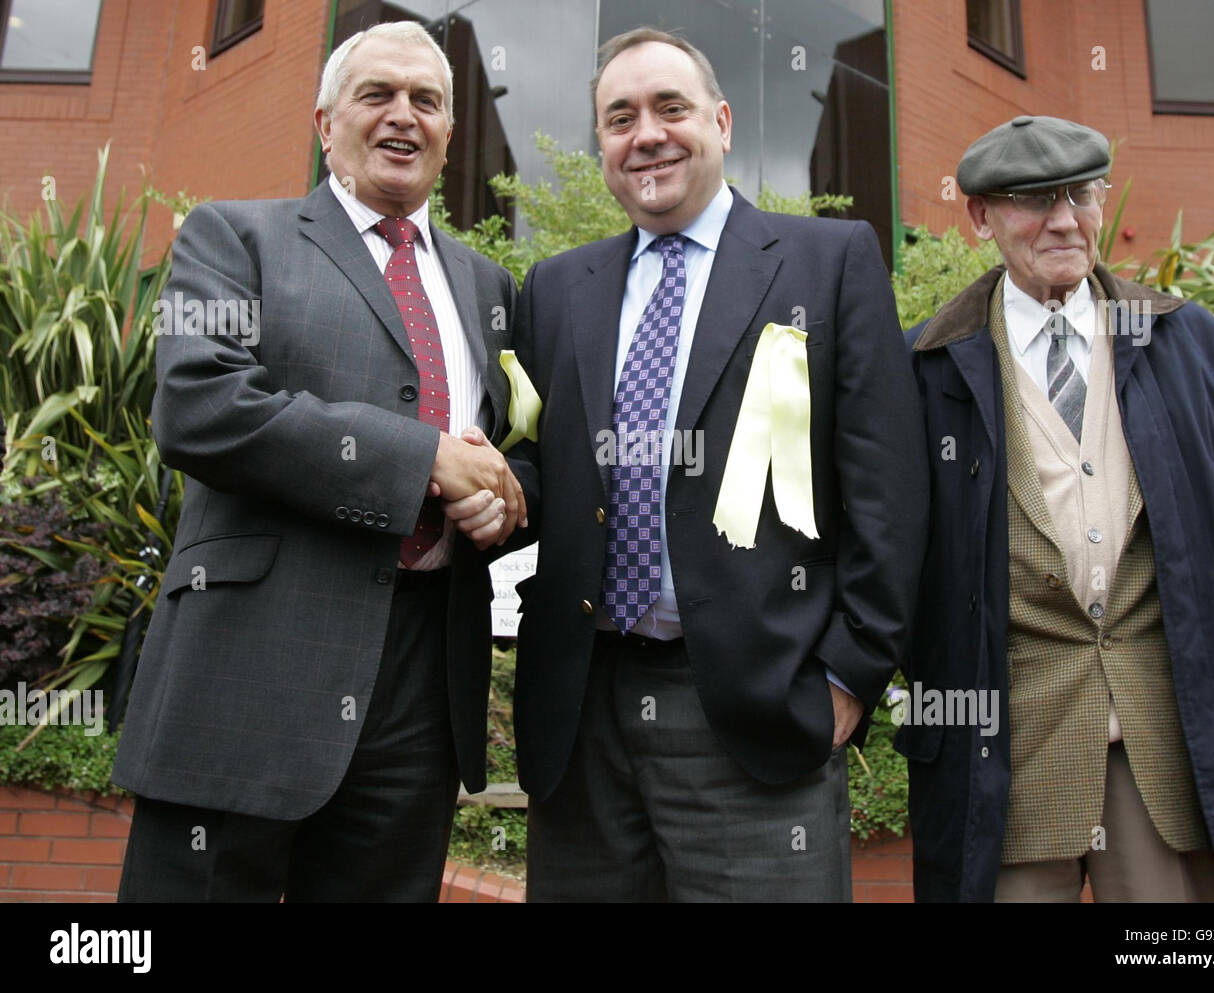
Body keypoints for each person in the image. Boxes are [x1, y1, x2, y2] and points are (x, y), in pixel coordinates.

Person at [479, 28, 926, 901]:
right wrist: (480, 481)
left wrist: (848, 675)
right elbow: (537, 463)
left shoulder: (829, 263)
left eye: (670, 108)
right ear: (602, 147)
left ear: (720, 121)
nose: (646, 133)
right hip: (584, 712)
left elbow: (889, 488)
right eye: (620, 117)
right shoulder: (557, 288)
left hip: (754, 710)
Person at [111, 20, 524, 901]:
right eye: (376, 95)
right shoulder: (230, 238)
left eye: (427, 100)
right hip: (248, 673)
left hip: (421, 680)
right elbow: (199, 406)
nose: (402, 116)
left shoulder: (490, 289)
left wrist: (506, 495)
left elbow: (512, 453)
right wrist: (422, 460)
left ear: (450, 133)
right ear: (323, 122)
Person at [900, 114, 1214, 902]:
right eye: (1033, 199)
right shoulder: (926, 363)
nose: (1066, 219)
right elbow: (898, 559)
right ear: (980, 216)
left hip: (1163, 743)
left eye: (1082, 193)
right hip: (1004, 752)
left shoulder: (1183, 339)